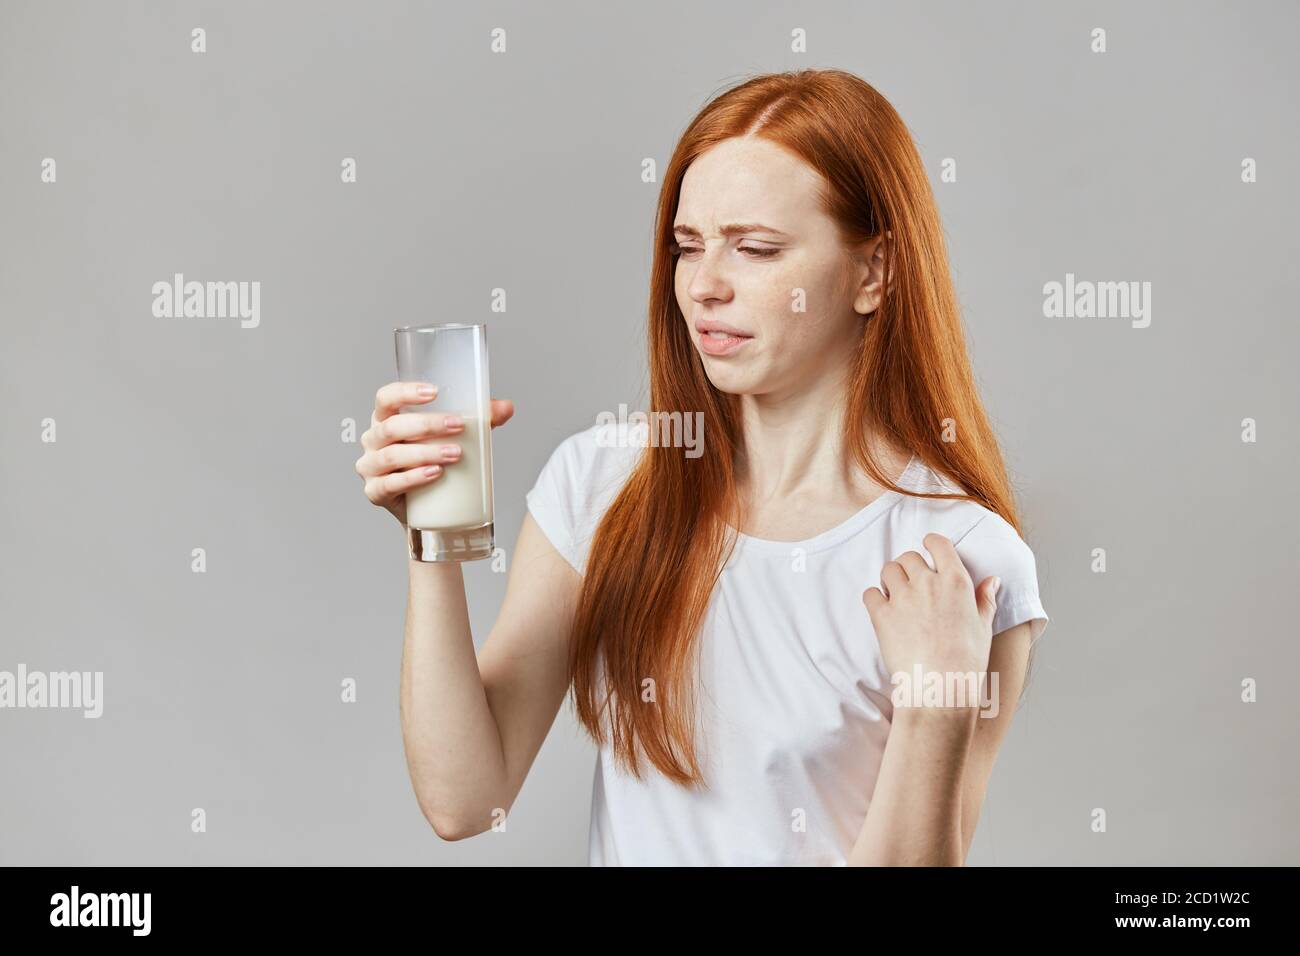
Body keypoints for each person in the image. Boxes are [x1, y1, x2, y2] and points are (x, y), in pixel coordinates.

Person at [354, 68, 1049, 866]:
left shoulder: (956, 560)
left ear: (873, 272)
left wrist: (935, 706)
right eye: (688, 247)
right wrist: (429, 533)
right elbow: (464, 800)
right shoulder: (603, 483)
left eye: (755, 249)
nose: (704, 287)